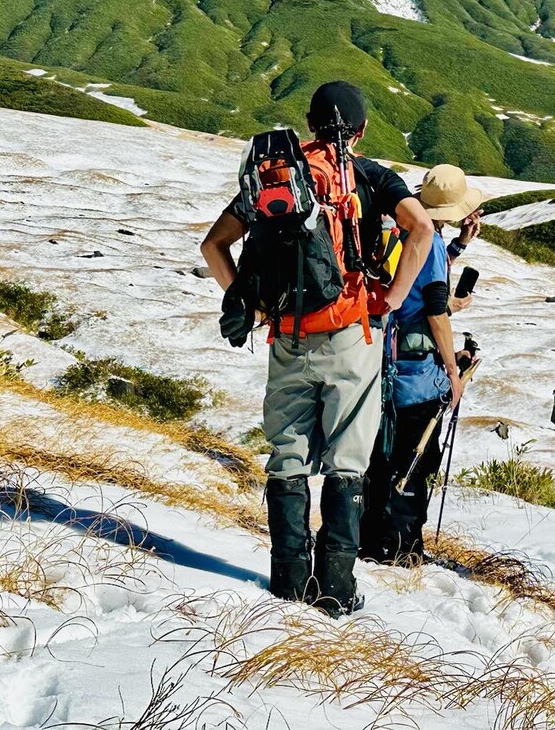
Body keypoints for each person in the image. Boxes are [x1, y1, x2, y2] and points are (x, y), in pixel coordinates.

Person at [201, 81, 433, 615]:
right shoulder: (370, 176)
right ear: (362, 129)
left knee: (288, 457)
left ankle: (287, 580)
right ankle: (336, 588)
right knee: (348, 460)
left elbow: (212, 244)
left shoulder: (274, 174)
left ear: (308, 124)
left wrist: (255, 308)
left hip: (287, 336)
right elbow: (419, 228)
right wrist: (392, 300)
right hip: (352, 333)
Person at [360, 164, 483, 564]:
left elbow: (415, 276)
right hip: (416, 376)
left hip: (382, 360)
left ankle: (368, 539)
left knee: (380, 459)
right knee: (415, 462)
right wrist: (452, 369)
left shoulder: (403, 229)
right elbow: (434, 309)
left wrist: (459, 246)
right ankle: (403, 550)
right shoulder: (428, 243)